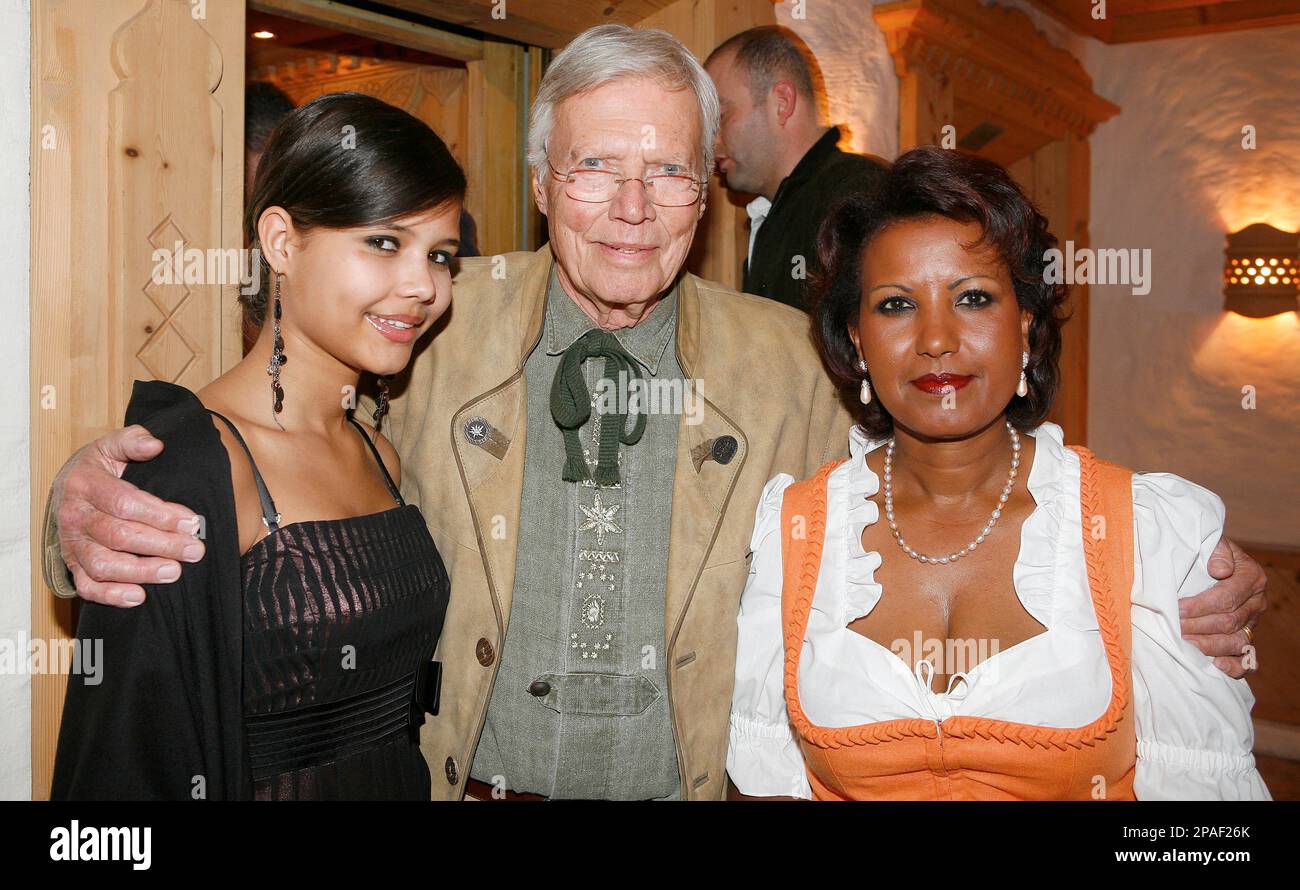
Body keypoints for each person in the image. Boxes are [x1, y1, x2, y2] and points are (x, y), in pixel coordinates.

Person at [42, 26, 1265, 802]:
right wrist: (92, 494)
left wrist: (1176, 571)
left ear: (711, 192)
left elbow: (953, 460)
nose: (631, 206)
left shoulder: (795, 361)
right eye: (594, 167)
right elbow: (263, 427)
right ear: (538, 183)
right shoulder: (425, 321)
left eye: (669, 169)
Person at [726, 146, 1270, 800]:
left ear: (1025, 326)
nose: (936, 339)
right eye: (896, 305)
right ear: (857, 340)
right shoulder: (790, 536)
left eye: (973, 298)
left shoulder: (1140, 534)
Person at [51, 92, 464, 799]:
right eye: (385, 242)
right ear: (280, 242)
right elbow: (126, 759)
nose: (423, 286)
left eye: (443, 255)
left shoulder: (378, 454)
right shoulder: (192, 466)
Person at [704, 25, 888, 311]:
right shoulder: (778, 212)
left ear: (782, 102)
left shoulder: (858, 193)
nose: (712, 141)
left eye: (722, 116)